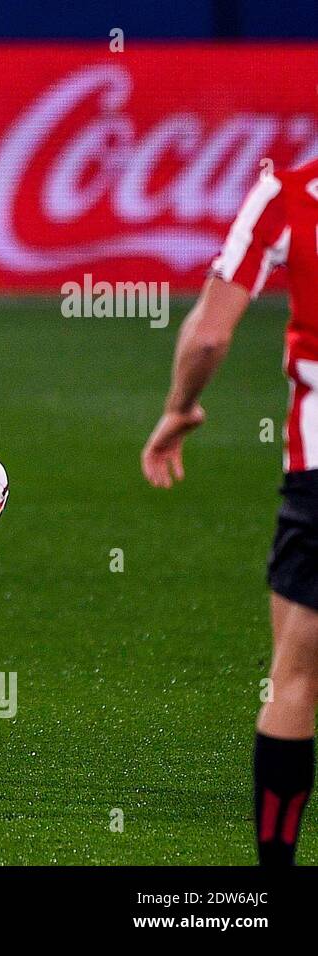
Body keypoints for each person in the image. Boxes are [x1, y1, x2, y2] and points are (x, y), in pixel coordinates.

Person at [141, 158, 316, 865]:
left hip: (317, 467)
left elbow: (211, 334)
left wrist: (179, 407)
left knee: (297, 672)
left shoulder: (290, 191)